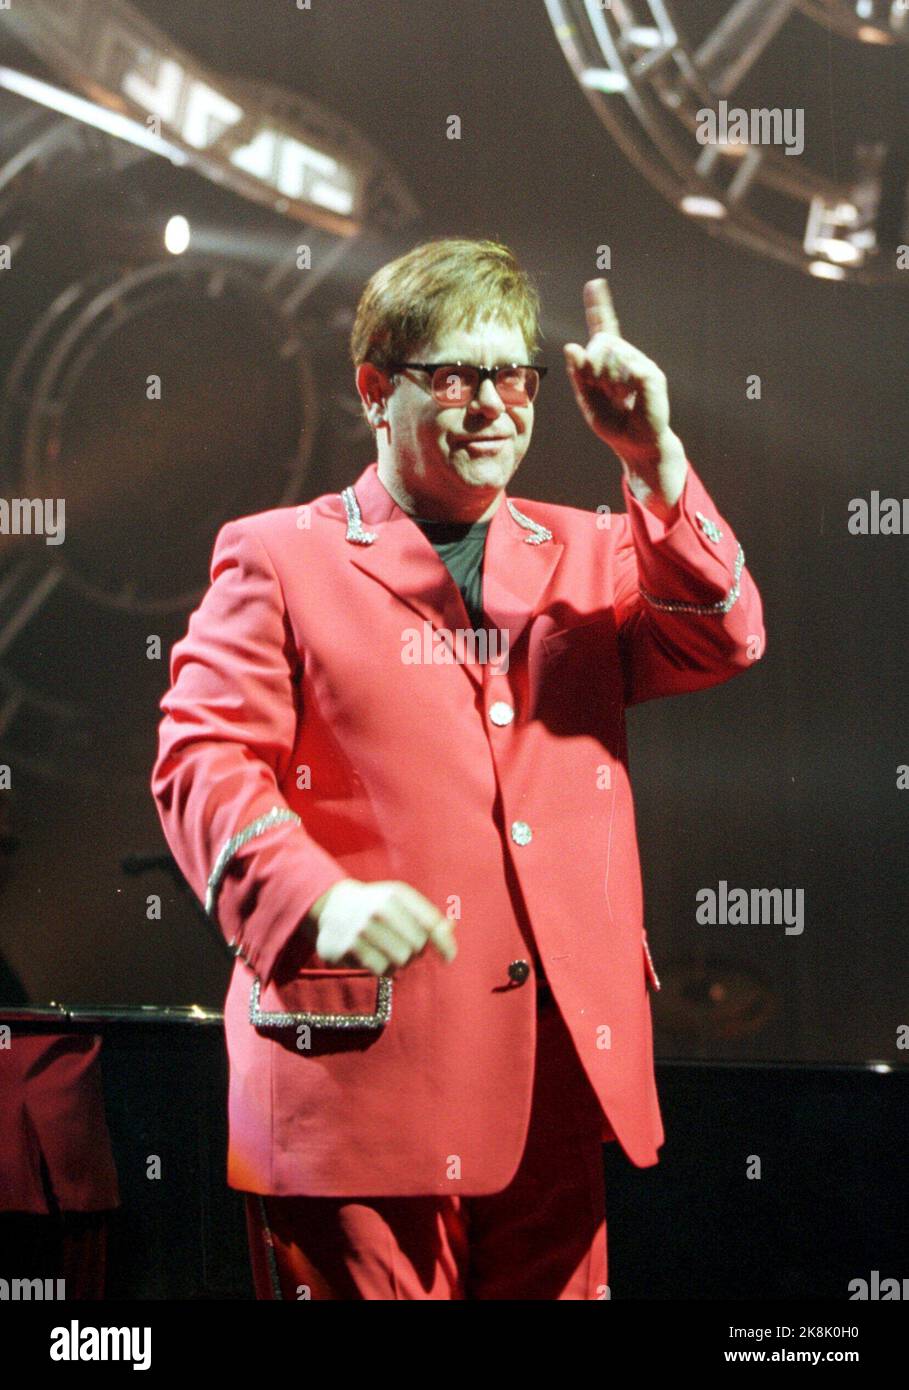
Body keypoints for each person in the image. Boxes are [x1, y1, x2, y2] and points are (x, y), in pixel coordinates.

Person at [151, 237, 764, 1299]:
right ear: (375, 391)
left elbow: (724, 637)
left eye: (515, 375)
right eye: (456, 377)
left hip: (555, 1079)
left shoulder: (592, 547)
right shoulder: (280, 554)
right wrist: (309, 898)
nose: (493, 404)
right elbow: (202, 756)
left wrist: (653, 459)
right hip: (359, 1071)